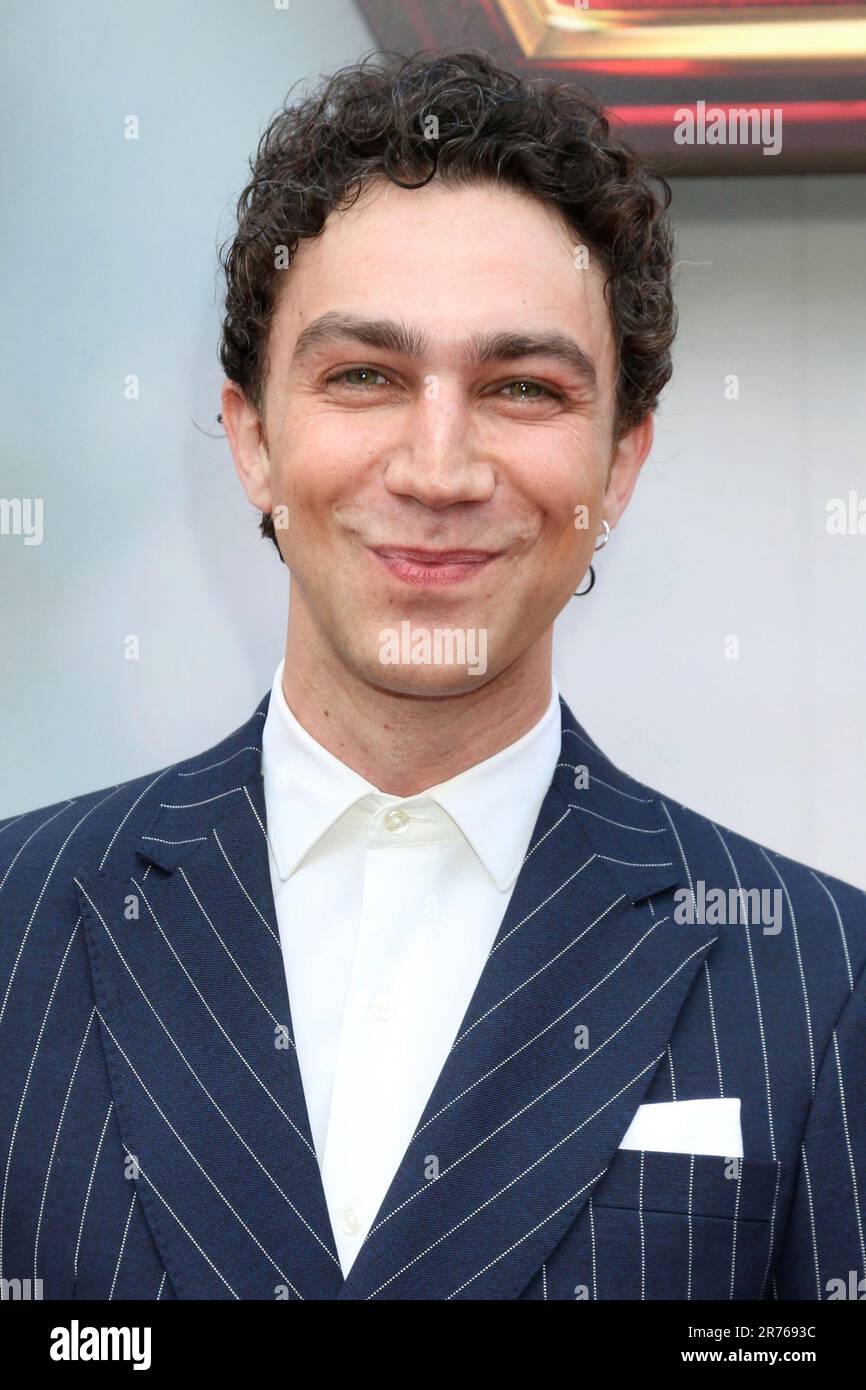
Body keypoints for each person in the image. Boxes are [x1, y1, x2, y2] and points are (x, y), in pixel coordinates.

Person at [1, 49, 864, 1303]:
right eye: (365, 376)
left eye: (521, 387)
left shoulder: (820, 976)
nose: (438, 466)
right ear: (250, 435)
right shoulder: (20, 922)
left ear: (619, 461)